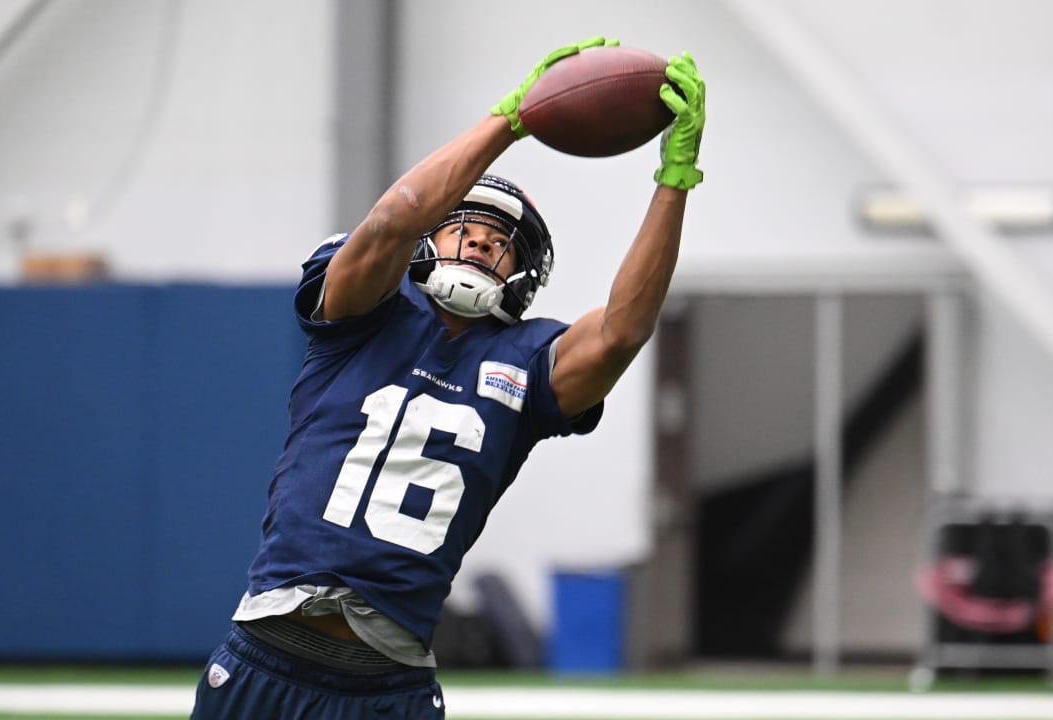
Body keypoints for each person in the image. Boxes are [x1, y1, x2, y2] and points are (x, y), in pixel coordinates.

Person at [190, 37, 706, 719]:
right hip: (267, 650)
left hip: (388, 680)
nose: (486, 243)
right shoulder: (362, 317)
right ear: (435, 235)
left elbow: (621, 332)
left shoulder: (526, 355)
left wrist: (674, 181)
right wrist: (513, 119)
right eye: (469, 227)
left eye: (504, 242)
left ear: (523, 274)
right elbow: (392, 219)